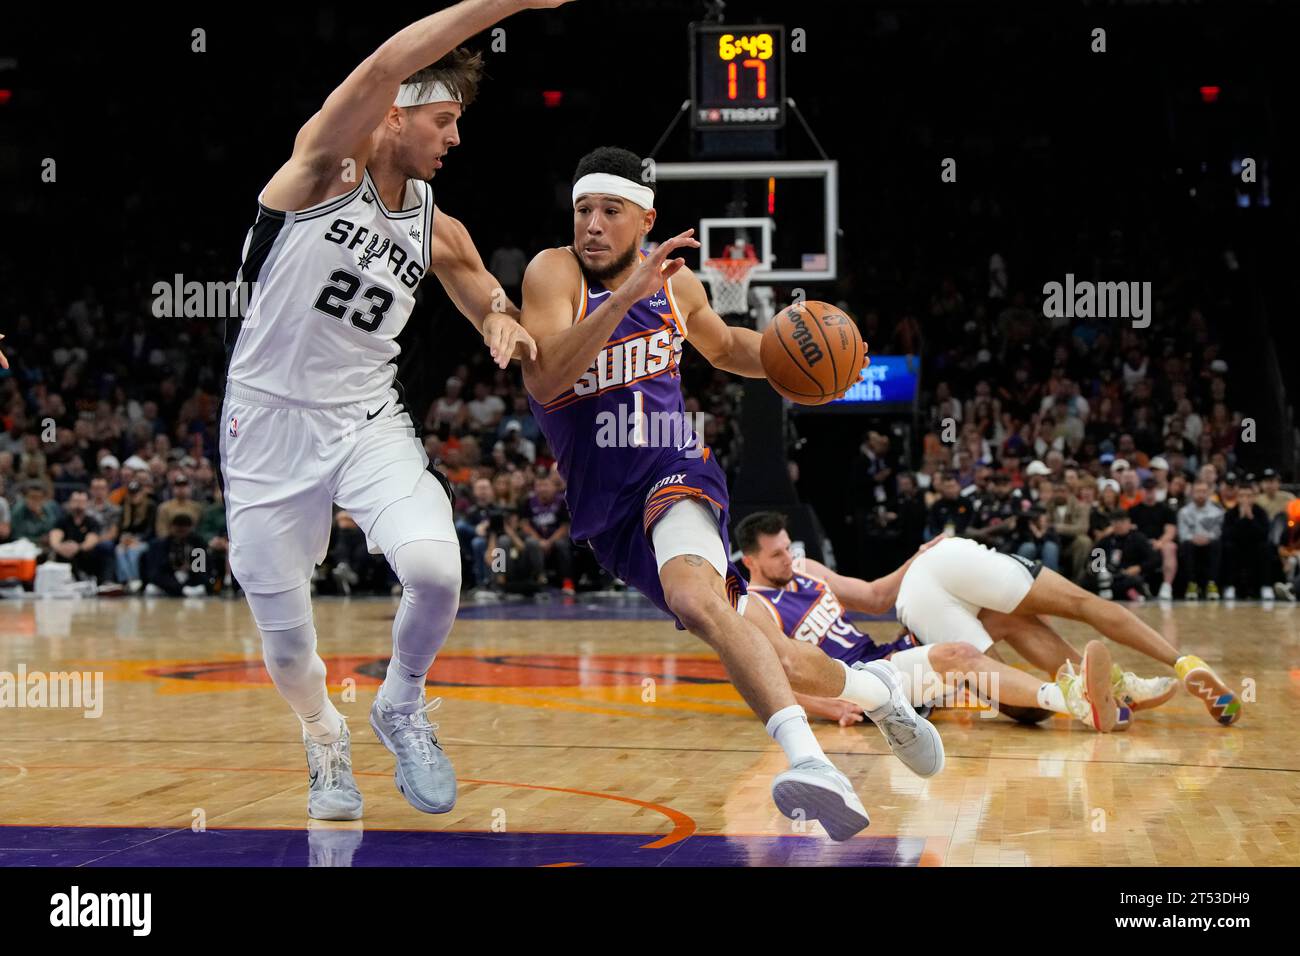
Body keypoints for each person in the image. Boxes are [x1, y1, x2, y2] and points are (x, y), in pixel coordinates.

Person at [519, 145, 943, 841]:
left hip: (674, 468)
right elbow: (548, 378)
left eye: (610, 211)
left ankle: (810, 763)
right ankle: (880, 691)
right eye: (582, 210)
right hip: (607, 512)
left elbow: (725, 348)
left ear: (645, 220)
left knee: (695, 599)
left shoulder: (678, 285)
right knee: (767, 647)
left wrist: (797, 363)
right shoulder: (553, 273)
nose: (591, 225)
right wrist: (625, 299)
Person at [218, 0, 566, 822]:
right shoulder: (318, 170)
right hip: (267, 421)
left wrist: (500, 318)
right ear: (397, 114)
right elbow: (380, 65)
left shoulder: (433, 223)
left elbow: (479, 283)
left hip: (367, 416)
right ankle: (323, 737)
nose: (455, 138)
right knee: (288, 642)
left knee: (438, 570)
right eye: (444, 119)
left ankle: (401, 701)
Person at [736, 512, 1173, 731]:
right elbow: (765, 674)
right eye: (776, 554)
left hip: (885, 658)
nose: (788, 558)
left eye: (789, 547)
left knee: (1005, 615)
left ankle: (1107, 688)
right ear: (750, 560)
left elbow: (874, 597)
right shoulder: (755, 604)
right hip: (860, 684)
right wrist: (829, 706)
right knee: (960, 654)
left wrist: (918, 558)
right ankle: (1074, 700)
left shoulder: (807, 569)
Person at [888, 534, 1242, 726]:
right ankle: (1179, 663)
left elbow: (873, 597)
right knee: (1083, 603)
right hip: (941, 564)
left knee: (1017, 703)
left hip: (916, 602)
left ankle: (1091, 697)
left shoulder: (844, 605)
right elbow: (872, 595)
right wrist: (919, 554)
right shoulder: (917, 561)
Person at [1178, 480, 1224, 600]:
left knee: (1217, 544)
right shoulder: (1184, 512)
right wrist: (1193, 538)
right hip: (1191, 544)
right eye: (1198, 491)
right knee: (1186, 545)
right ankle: (1192, 584)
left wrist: (1207, 538)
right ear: (1192, 493)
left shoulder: (1217, 512)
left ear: (1208, 493)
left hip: (1210, 543)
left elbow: (1218, 532)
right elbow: (1183, 534)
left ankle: (1212, 584)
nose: (1200, 494)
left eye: (1203, 491)